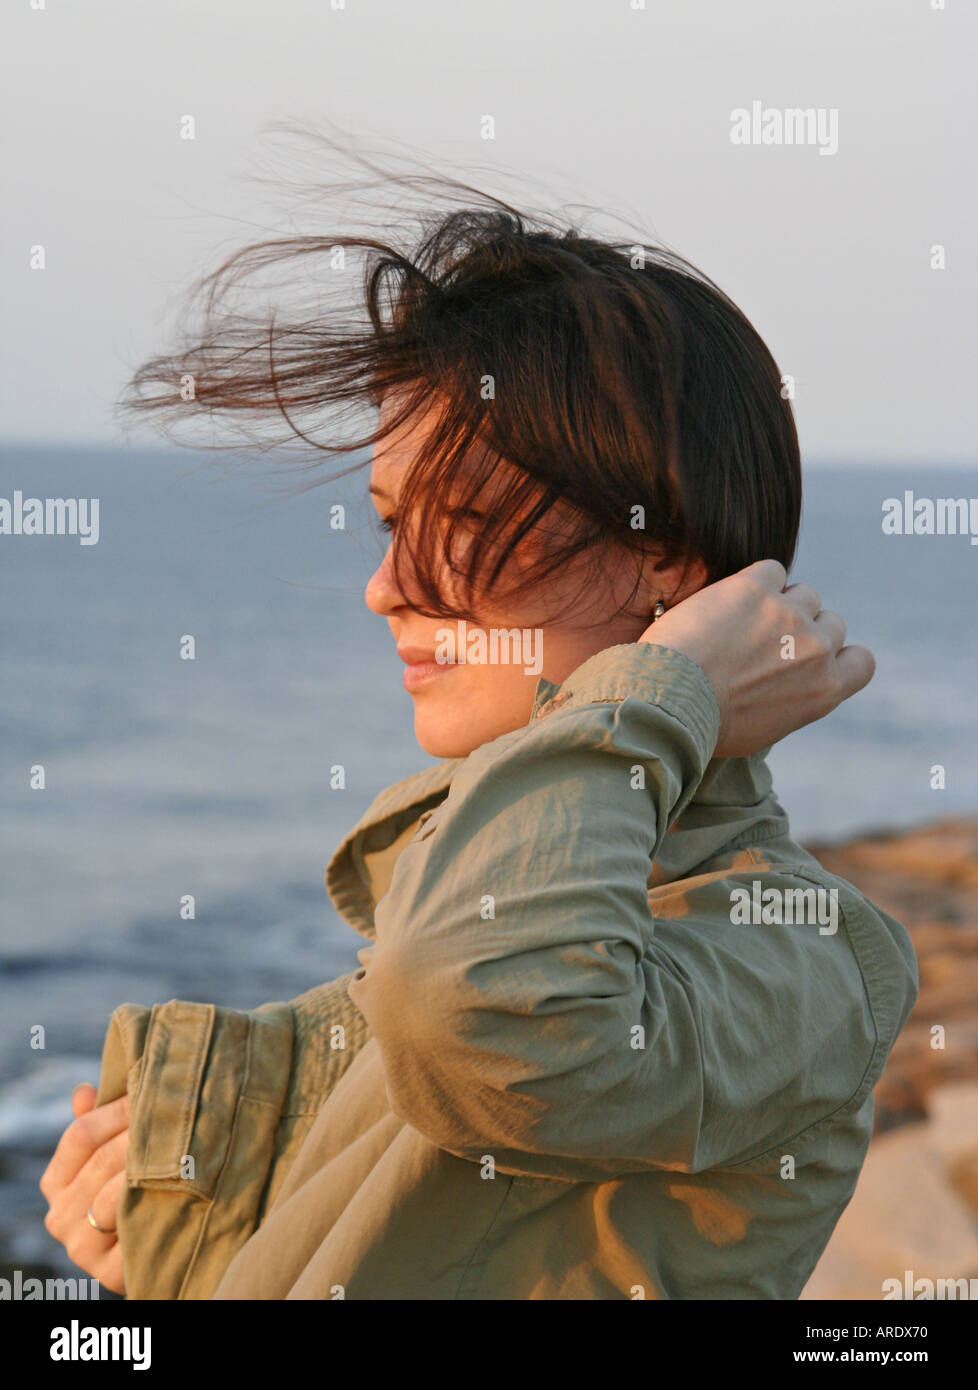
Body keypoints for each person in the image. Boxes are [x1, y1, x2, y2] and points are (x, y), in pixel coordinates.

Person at [39, 148, 918, 1299]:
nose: (387, 588)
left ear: (663, 562)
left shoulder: (800, 953)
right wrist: (181, 1255)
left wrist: (669, 687)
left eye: (457, 520)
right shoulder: (465, 898)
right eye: (386, 525)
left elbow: (485, 1013)